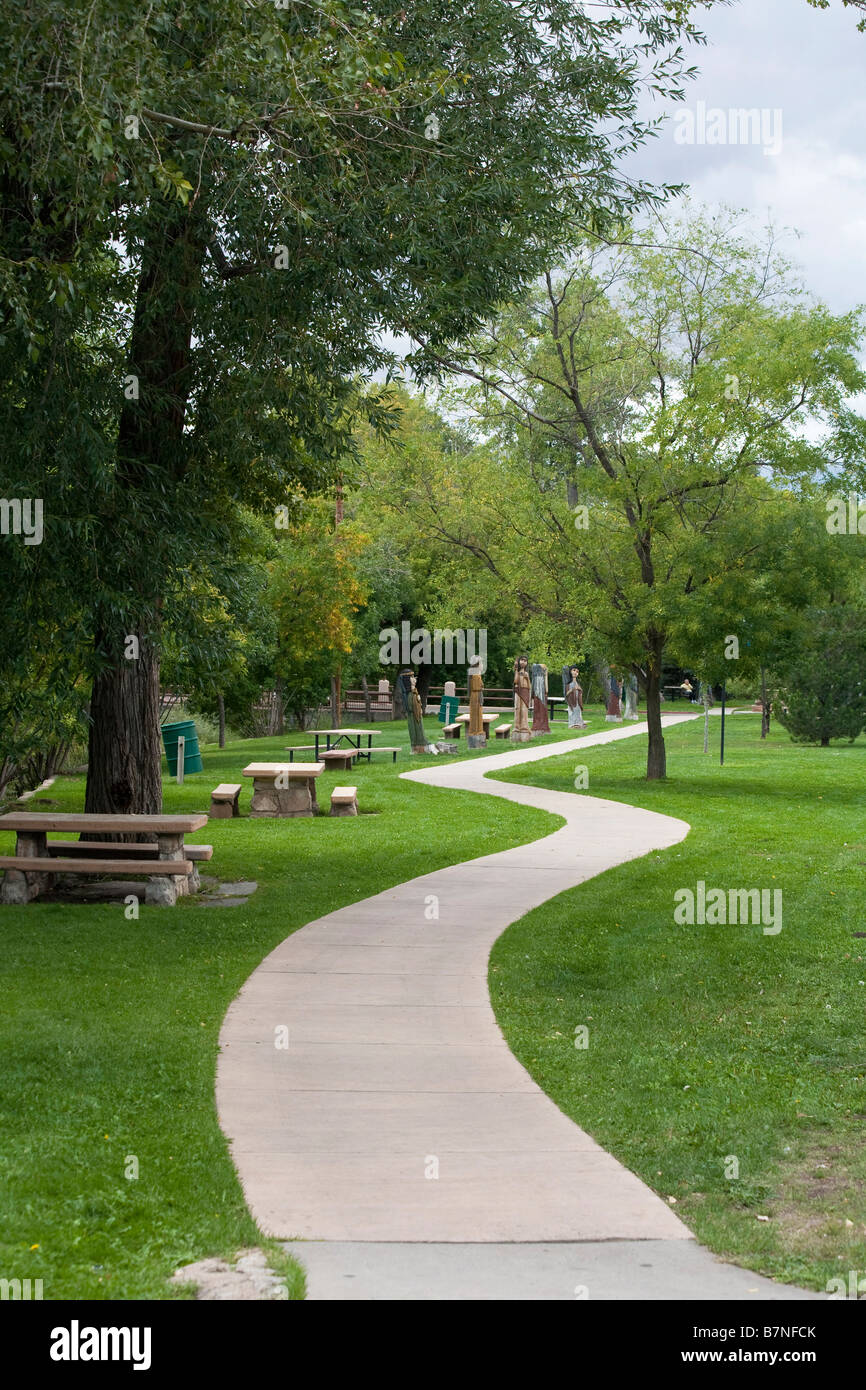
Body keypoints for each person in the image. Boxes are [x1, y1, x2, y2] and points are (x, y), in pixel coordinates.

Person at [511, 655, 531, 742]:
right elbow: (515, 681)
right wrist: (516, 670)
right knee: (517, 708)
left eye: (525, 661)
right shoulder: (518, 672)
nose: (523, 662)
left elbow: (529, 686)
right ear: (519, 661)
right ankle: (517, 727)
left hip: (525, 691)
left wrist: (527, 678)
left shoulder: (526, 673)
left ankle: (524, 727)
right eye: (522, 660)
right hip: (518, 691)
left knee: (524, 709)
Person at [530, 661, 550, 735]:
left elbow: (532, 690)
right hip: (541, 696)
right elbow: (547, 690)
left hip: (537, 695)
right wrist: (546, 674)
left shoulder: (535, 678)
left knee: (538, 711)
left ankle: (538, 726)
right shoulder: (541, 677)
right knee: (541, 710)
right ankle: (541, 726)